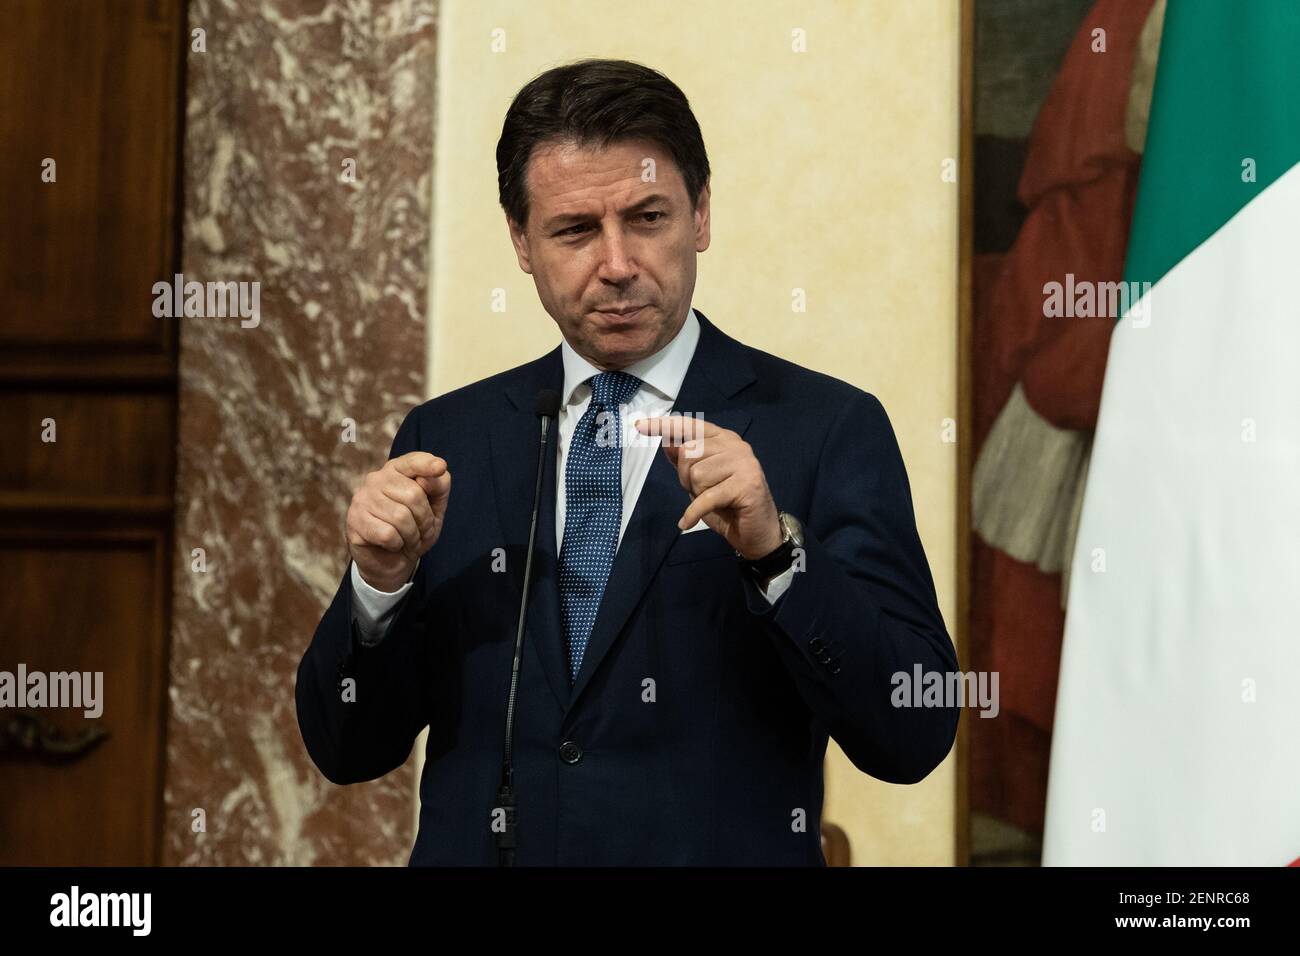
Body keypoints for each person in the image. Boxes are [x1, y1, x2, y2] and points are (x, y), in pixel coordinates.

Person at [296, 58, 958, 866]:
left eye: (647, 218)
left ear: (701, 215)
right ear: (521, 243)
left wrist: (776, 555)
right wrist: (379, 585)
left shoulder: (822, 429)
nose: (616, 264)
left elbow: (913, 730)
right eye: (575, 230)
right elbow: (347, 748)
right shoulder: (453, 437)